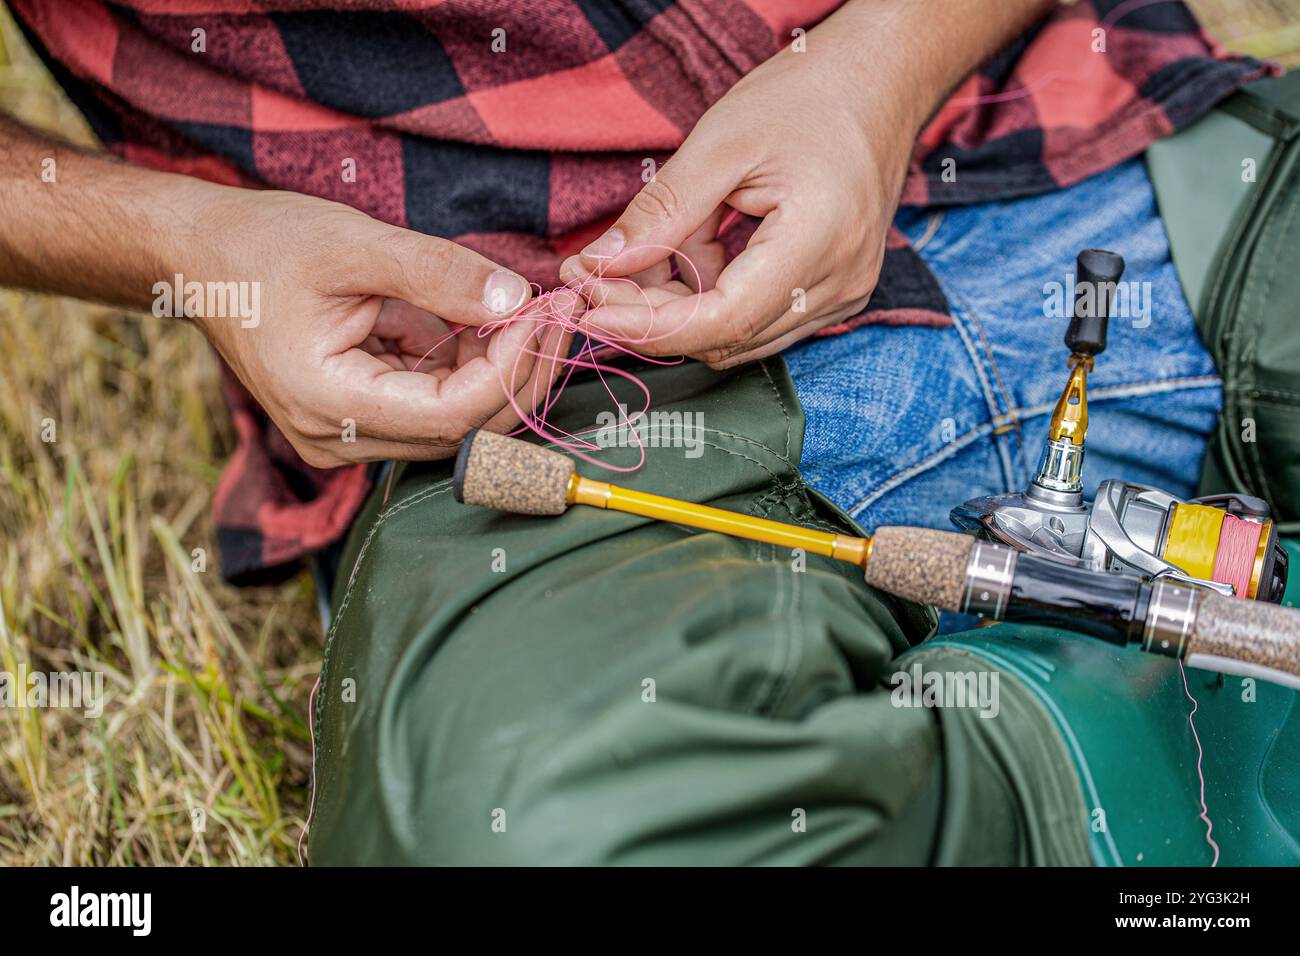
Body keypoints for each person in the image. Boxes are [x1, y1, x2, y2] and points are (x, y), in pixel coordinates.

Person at [0, 0, 1272, 862]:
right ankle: (1164, 762)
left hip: (1097, 160)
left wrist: (868, 73)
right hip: (557, 417)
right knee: (532, 829)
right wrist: (191, 244)